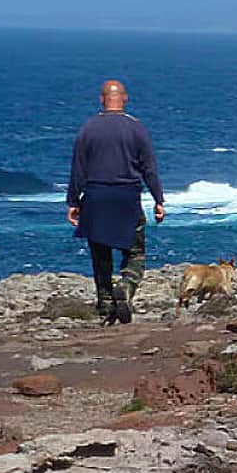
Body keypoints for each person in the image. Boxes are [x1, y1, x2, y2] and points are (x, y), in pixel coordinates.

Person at [66, 80, 165, 323]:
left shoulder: (87, 128)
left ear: (102, 99)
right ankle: (126, 287)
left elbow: (78, 169)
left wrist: (73, 202)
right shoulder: (137, 128)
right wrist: (158, 199)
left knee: (100, 256)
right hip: (127, 198)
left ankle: (106, 308)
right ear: (125, 99)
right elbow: (149, 168)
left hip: (96, 198)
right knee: (135, 253)